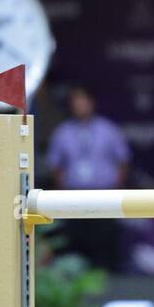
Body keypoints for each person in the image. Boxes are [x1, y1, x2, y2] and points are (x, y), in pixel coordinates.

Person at [46, 86, 131, 270]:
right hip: (73, 199)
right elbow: (56, 166)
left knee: (105, 252)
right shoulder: (63, 132)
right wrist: (64, 193)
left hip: (104, 197)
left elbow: (123, 162)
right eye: (76, 101)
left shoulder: (108, 129)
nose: (80, 105)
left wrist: (116, 188)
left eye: (84, 100)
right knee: (74, 252)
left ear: (92, 103)